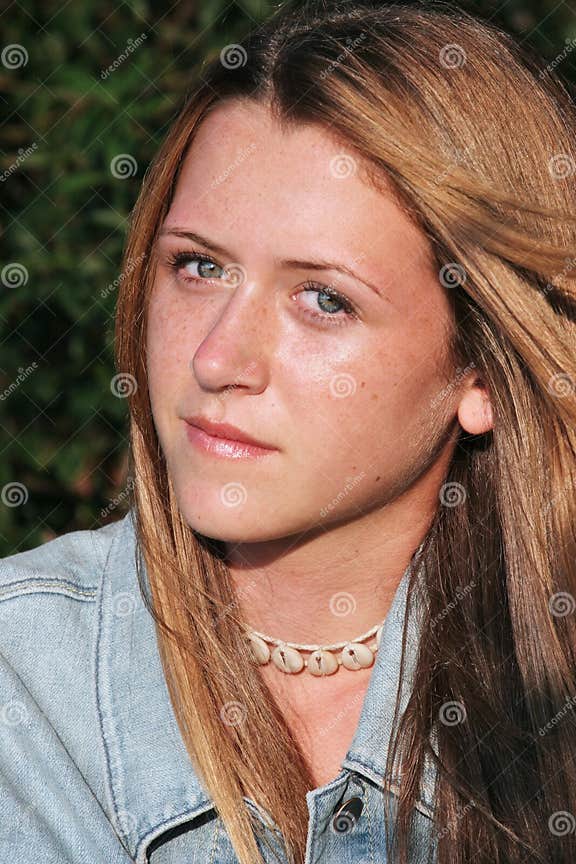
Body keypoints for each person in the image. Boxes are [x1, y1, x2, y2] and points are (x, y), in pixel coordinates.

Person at [1, 1, 575, 862]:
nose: (217, 358)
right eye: (198, 266)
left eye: (324, 299)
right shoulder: (24, 688)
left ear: (483, 372)